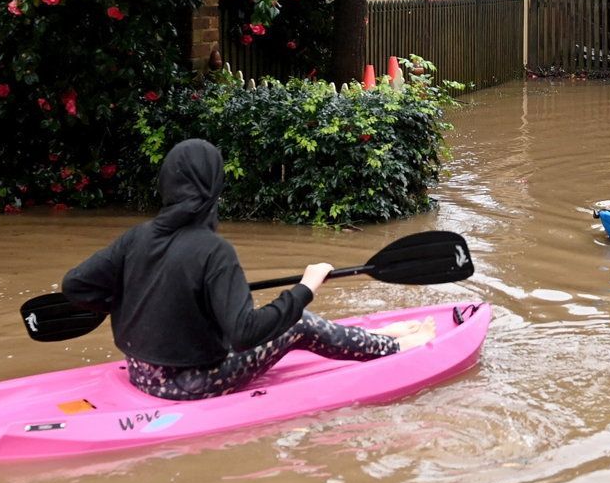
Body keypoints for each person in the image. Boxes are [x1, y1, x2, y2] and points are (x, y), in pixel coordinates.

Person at [62, 138, 434, 402]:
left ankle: (379, 337)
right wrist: (306, 287)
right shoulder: (214, 252)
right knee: (300, 322)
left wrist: (130, 294)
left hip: (140, 374)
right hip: (190, 385)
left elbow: (76, 285)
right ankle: (394, 346)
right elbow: (244, 335)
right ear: (213, 185)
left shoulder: (136, 238)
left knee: (285, 315)